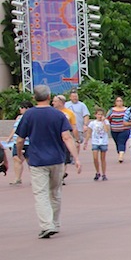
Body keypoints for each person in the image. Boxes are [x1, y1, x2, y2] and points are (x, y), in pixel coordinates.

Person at [14, 84, 81, 238]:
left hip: (37, 160)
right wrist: (76, 158)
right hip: (57, 159)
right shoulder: (58, 115)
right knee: (55, 192)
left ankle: (47, 225)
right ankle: (55, 223)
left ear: (34, 98)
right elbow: (66, 137)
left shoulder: (28, 115)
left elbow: (20, 139)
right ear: (49, 97)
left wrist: (20, 154)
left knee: (41, 193)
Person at [7, 102, 29, 184]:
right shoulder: (19, 117)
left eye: (22, 108)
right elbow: (15, 129)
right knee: (16, 158)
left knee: (29, 160)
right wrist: (9, 138)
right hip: (17, 141)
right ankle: (17, 178)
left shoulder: (31, 117)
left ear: (27, 108)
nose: (20, 109)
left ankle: (34, 179)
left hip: (28, 142)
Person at [66, 90, 90, 162]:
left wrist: (85, 125)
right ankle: (69, 156)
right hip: (67, 127)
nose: (75, 98)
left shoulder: (82, 105)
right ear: (70, 97)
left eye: (76, 96)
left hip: (78, 127)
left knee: (77, 142)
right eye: (73, 97)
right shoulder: (66, 105)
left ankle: (74, 158)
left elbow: (86, 115)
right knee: (68, 142)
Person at [88, 108, 109, 182]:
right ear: (95, 115)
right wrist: (86, 141)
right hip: (95, 141)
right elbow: (89, 132)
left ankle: (104, 174)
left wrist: (103, 122)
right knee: (95, 158)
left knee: (103, 159)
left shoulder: (106, 122)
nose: (100, 116)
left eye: (101, 114)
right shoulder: (92, 123)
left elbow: (107, 130)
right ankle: (97, 172)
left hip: (103, 141)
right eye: (98, 114)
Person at [108, 96, 130, 164]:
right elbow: (108, 119)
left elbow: (130, 118)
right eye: (118, 101)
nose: (119, 102)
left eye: (120, 101)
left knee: (121, 142)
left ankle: (121, 156)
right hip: (114, 130)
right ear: (115, 102)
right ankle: (120, 153)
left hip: (124, 129)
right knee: (117, 143)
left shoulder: (127, 110)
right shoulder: (112, 110)